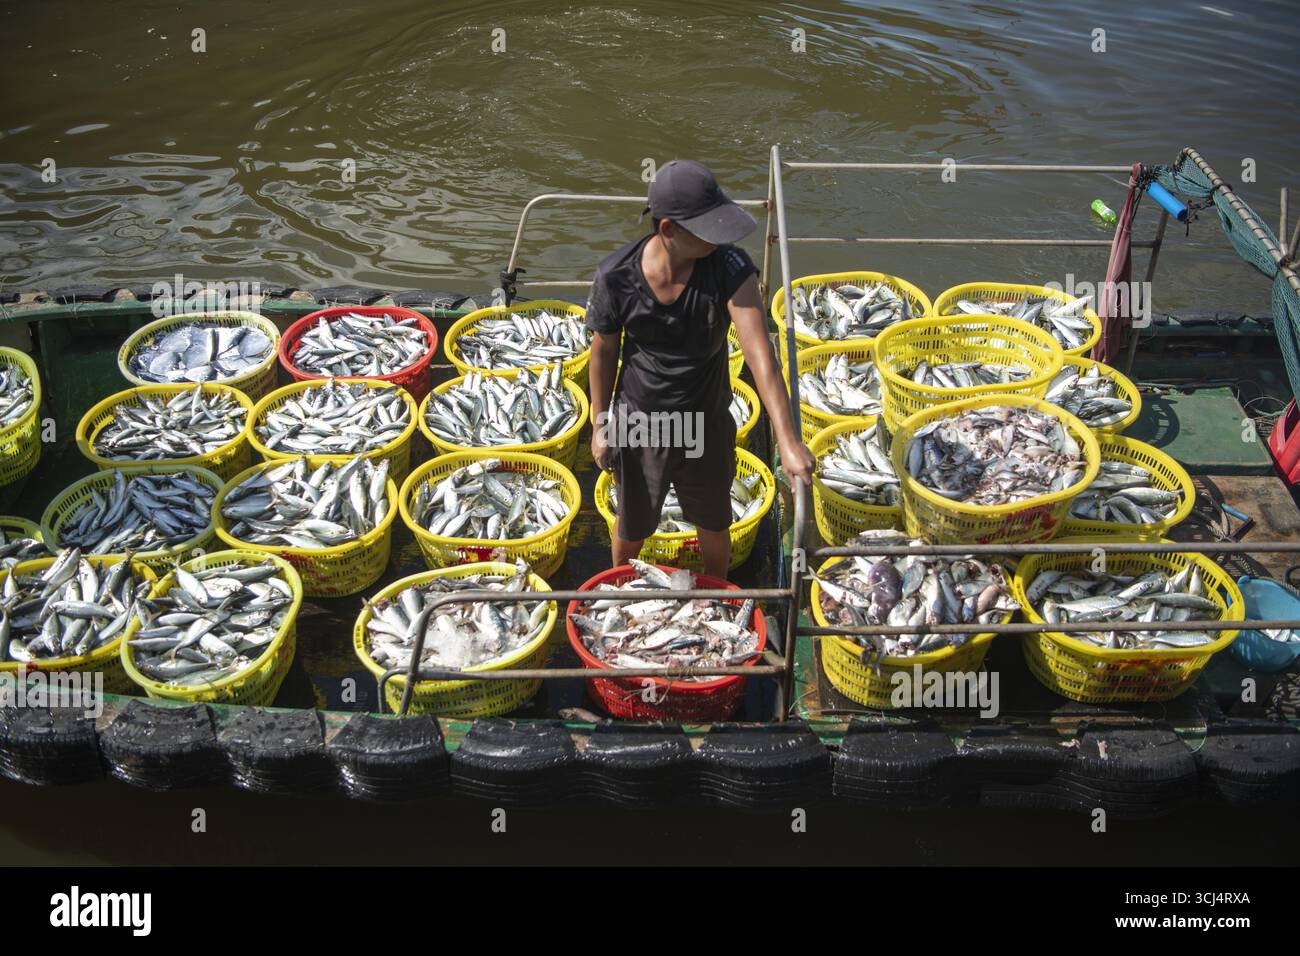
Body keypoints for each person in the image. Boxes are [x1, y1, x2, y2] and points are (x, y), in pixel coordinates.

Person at [585, 159, 814, 579]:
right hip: (640, 423)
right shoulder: (615, 277)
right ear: (668, 229)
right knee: (633, 525)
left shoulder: (729, 269)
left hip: (705, 421)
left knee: (713, 521)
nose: (720, 238)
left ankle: (717, 592)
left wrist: (787, 440)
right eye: (708, 228)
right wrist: (600, 425)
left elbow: (761, 355)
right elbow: (603, 353)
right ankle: (618, 588)